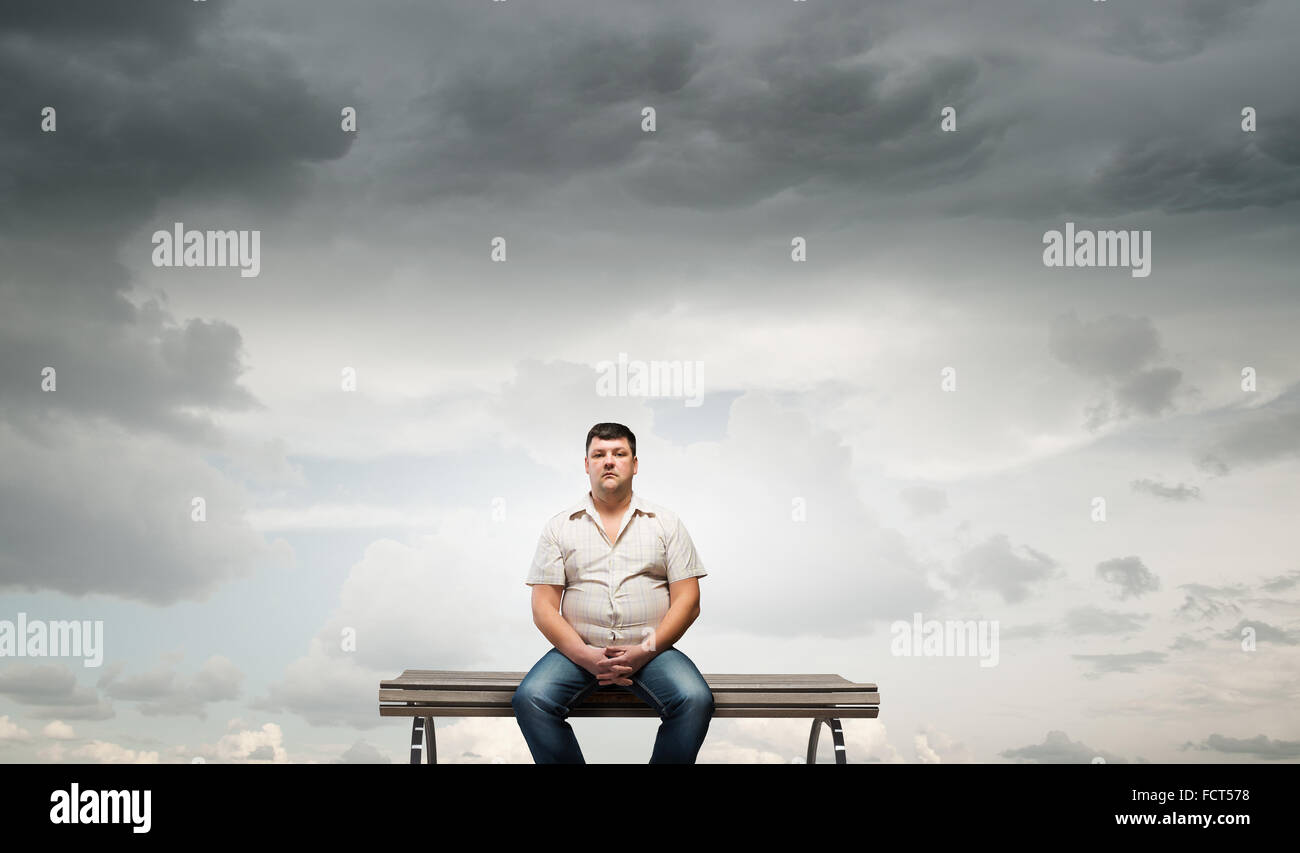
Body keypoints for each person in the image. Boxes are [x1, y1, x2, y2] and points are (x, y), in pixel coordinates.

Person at [512, 422, 714, 763]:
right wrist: (584, 655)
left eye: (619, 454)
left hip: (653, 650)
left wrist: (643, 651)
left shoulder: (666, 523)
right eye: (599, 454)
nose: (609, 461)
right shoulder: (559, 527)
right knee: (531, 698)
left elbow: (688, 601)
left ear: (634, 464)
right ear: (587, 464)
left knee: (695, 699)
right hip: (578, 652)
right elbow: (544, 607)